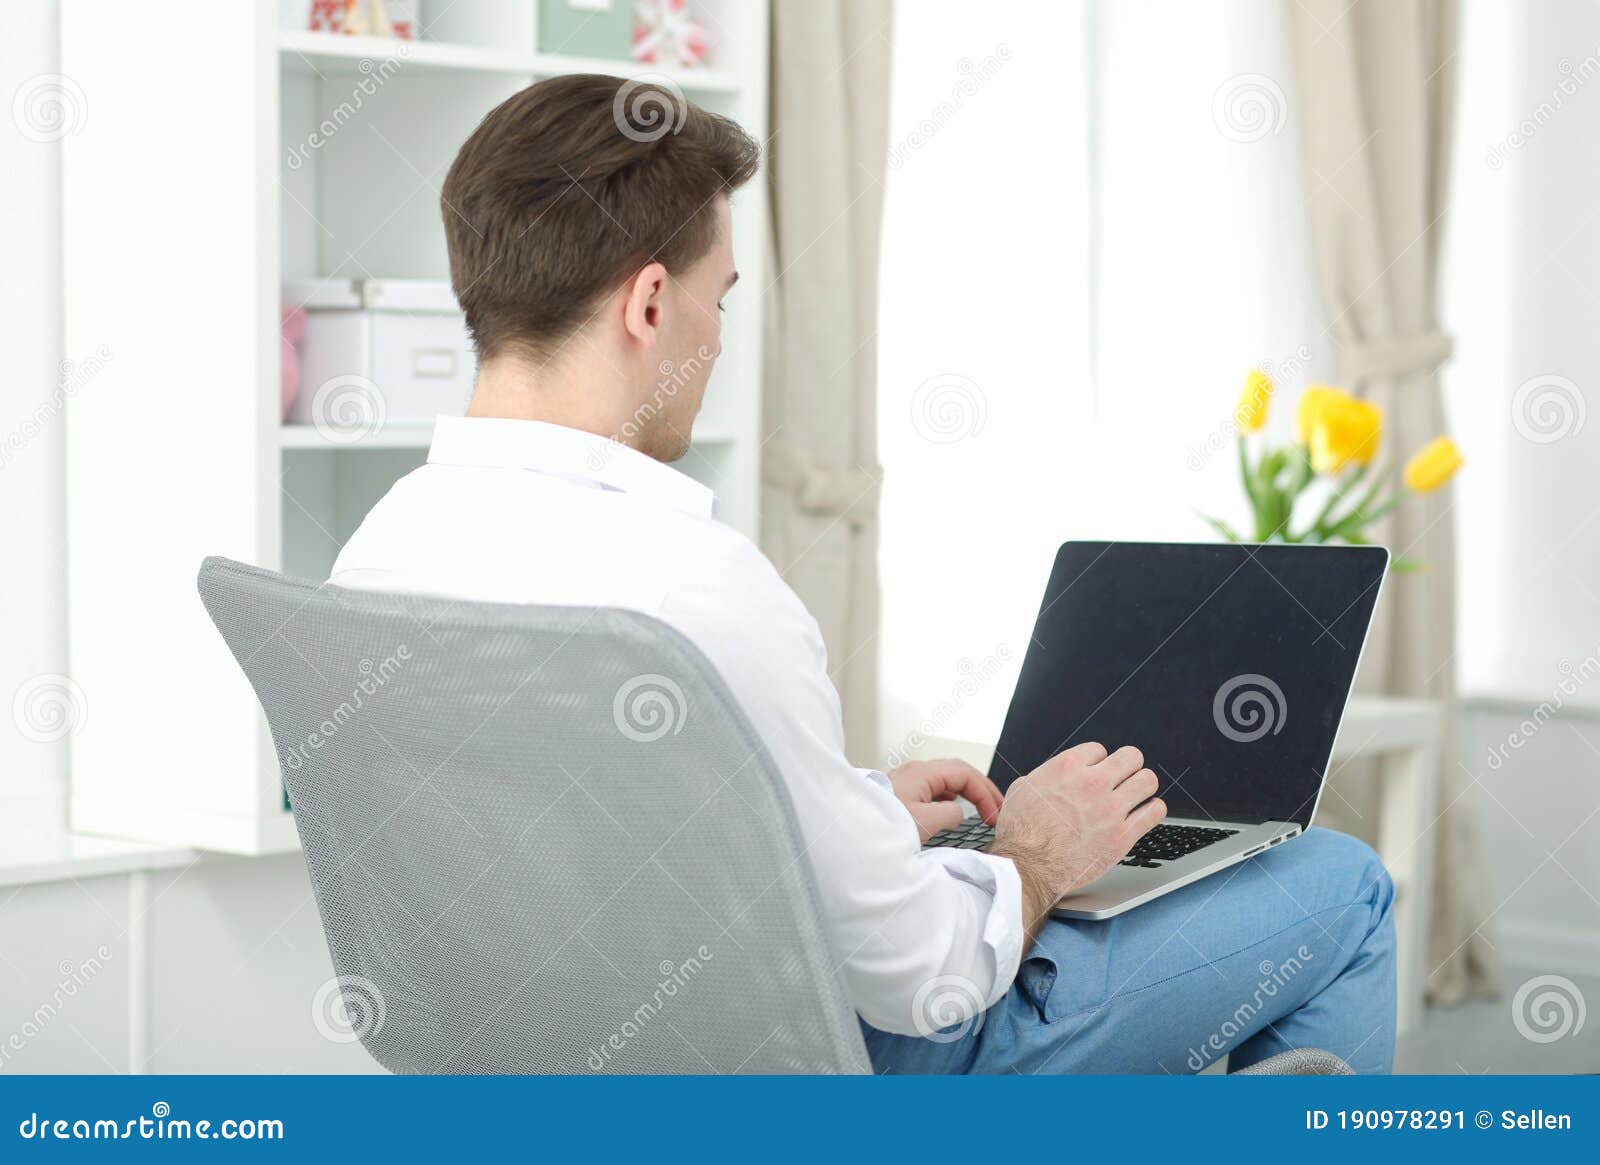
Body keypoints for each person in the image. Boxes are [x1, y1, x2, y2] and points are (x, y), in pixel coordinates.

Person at [329, 74, 1397, 1074]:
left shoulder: (377, 551)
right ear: (650, 306)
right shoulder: (697, 587)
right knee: (1343, 886)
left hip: (565, 1064)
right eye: (721, 299)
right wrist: (1030, 854)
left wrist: (845, 811)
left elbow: (587, 837)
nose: (717, 330)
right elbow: (932, 981)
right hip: (835, 1072)